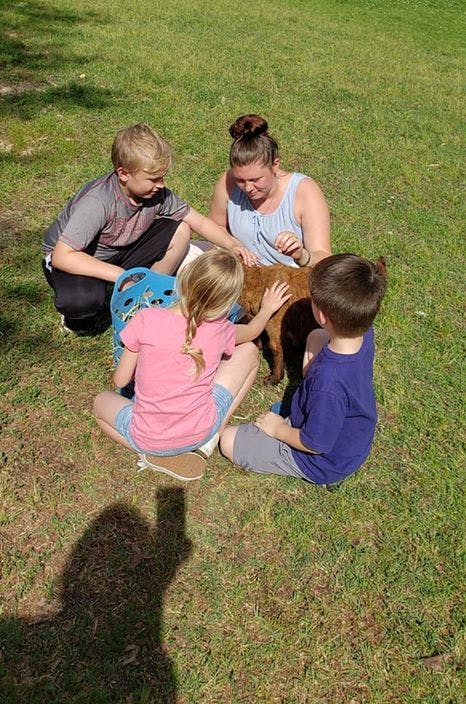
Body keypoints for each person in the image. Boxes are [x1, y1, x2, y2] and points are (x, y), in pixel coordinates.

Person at [93, 248, 290, 481]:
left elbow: (120, 380)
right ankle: (210, 439)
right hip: (200, 430)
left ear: (184, 277)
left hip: (147, 434)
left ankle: (152, 453)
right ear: (227, 302)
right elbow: (252, 331)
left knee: (100, 403)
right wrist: (267, 309)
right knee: (248, 351)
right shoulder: (221, 329)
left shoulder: (146, 319)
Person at [42, 122, 252, 332]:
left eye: (162, 177)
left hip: (118, 249)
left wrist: (232, 245)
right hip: (77, 257)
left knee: (181, 228)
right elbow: (62, 256)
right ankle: (75, 317)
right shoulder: (98, 202)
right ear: (124, 174)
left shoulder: (156, 194)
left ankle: (146, 294)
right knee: (81, 302)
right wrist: (120, 275)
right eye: (153, 179)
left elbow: (199, 222)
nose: (161, 184)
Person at [220, 254, 387, 488]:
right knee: (315, 336)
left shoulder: (328, 384)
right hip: (351, 434)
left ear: (321, 315)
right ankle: (300, 415)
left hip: (322, 460)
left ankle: (315, 464)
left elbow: (315, 444)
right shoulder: (364, 333)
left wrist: (278, 429)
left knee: (228, 440)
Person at [209, 113, 331, 269]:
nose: (248, 188)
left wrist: (302, 255)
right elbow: (214, 227)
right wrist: (233, 245)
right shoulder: (228, 181)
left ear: (275, 165)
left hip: (289, 277)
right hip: (241, 272)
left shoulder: (304, 191)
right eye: (241, 180)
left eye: (255, 179)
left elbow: (323, 258)